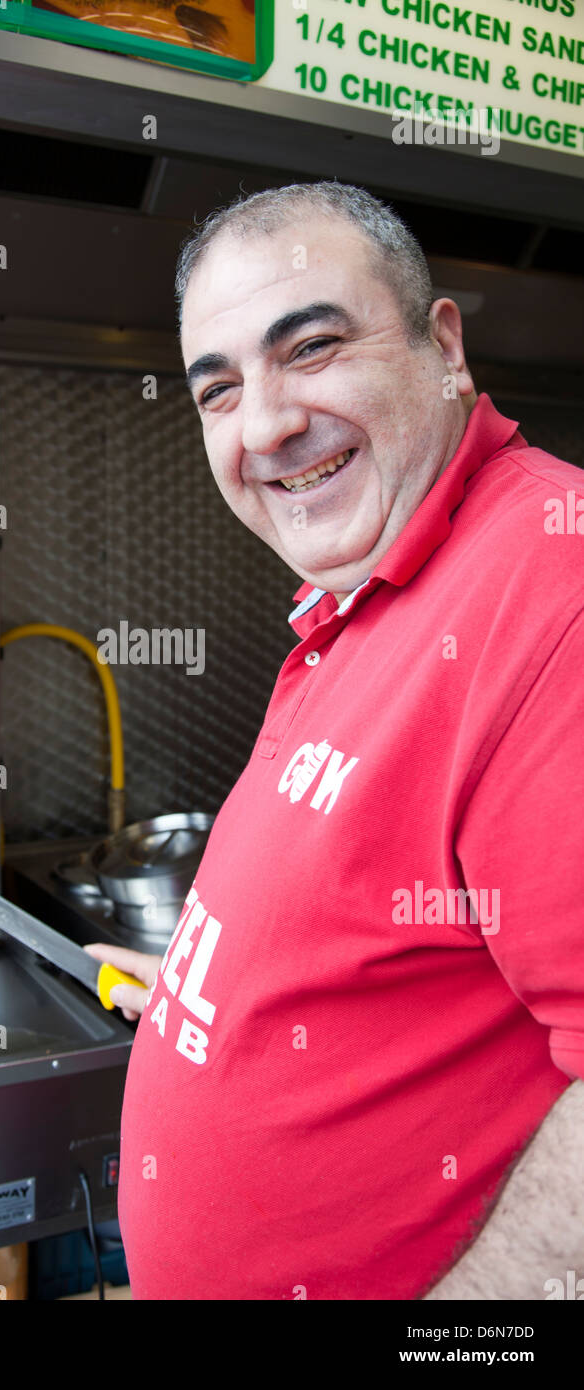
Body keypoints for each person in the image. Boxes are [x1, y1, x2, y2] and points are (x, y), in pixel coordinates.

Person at [85, 181, 584, 1301]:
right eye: (218, 389)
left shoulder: (552, 589)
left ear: (441, 346)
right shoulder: (360, 594)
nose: (263, 426)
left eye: (309, 347)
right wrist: (228, 984)